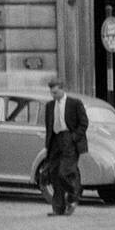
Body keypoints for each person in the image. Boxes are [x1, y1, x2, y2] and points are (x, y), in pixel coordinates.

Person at [42, 77, 88, 217]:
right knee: (55, 174)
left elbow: (84, 123)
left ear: (62, 89)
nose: (53, 95)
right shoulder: (50, 106)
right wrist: (48, 144)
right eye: (51, 93)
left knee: (64, 172)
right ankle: (58, 208)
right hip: (55, 141)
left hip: (70, 140)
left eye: (55, 92)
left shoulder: (75, 103)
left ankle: (74, 196)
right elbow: (49, 126)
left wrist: (74, 138)